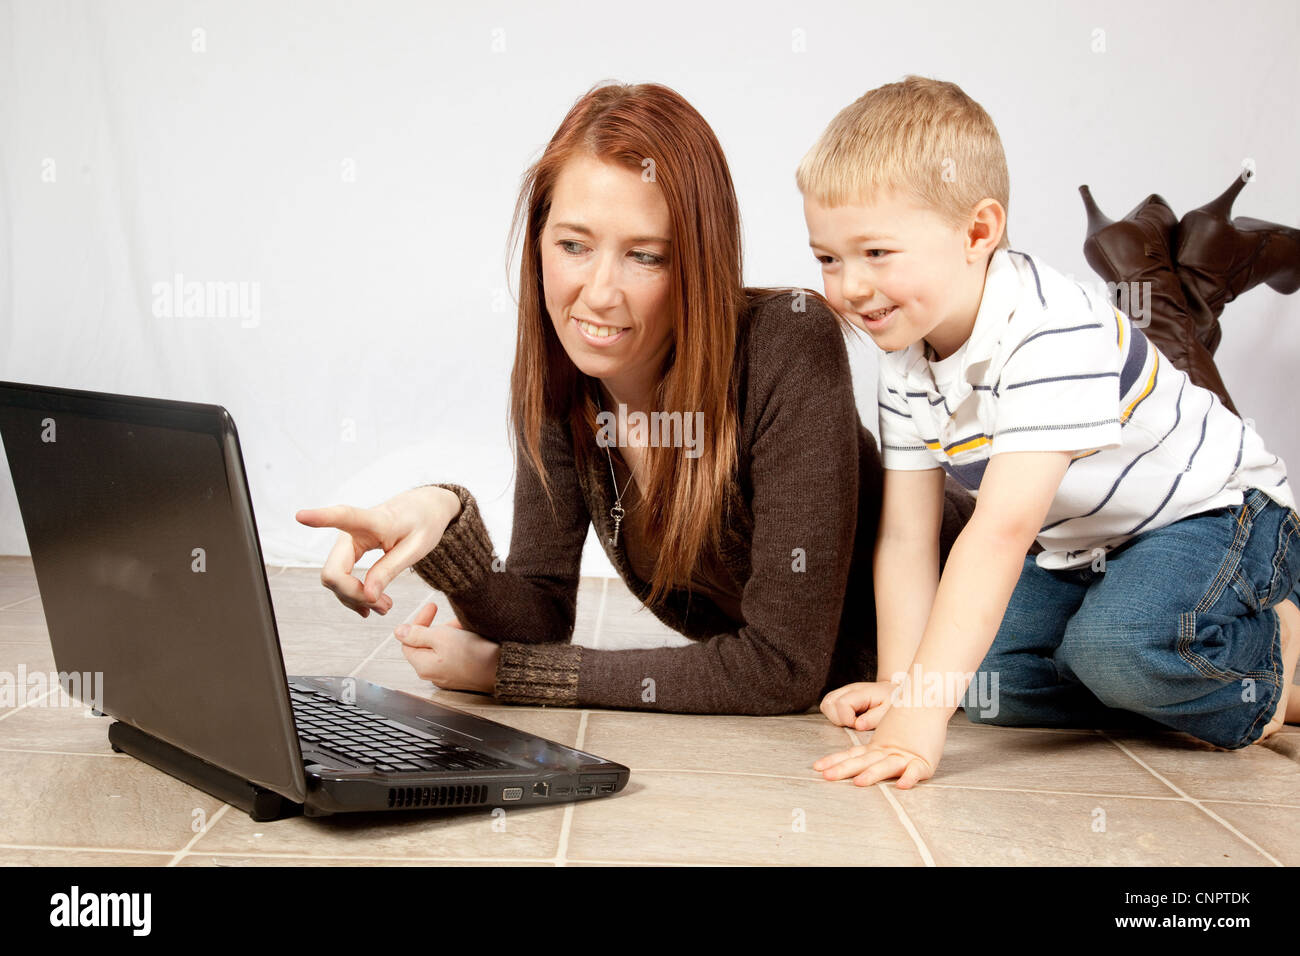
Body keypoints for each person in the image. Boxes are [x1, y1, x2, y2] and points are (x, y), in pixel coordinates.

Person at [296, 81, 976, 713]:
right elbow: (539, 613)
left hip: (986, 619)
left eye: (644, 256)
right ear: (538, 242)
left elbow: (782, 667)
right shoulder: (567, 374)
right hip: (875, 692)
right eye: (573, 245)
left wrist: (511, 676)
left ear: (698, 262)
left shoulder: (789, 341)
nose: (598, 293)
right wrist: (445, 524)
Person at [799, 76, 1300, 787]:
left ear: (978, 232)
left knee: (1116, 647)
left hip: (1219, 518)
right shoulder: (905, 352)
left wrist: (921, 724)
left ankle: (1267, 645)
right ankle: (1181, 678)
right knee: (985, 684)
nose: (849, 286)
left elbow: (1002, 530)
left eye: (876, 253)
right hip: (1092, 548)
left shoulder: (1047, 330)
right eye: (829, 257)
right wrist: (905, 683)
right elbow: (908, 536)